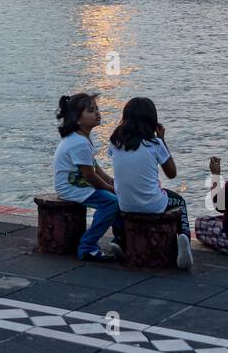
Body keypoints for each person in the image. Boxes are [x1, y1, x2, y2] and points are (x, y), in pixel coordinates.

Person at [107, 97, 193, 270]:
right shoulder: (155, 143)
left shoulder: (115, 141)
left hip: (124, 204)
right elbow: (172, 173)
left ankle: (120, 239)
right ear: (152, 121)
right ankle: (184, 239)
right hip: (154, 205)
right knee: (180, 202)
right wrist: (163, 140)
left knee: (118, 194)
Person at [52, 93, 125, 262]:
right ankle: (87, 246)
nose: (97, 113)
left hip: (79, 184)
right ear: (78, 120)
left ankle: (120, 239)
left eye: (97, 109)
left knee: (116, 196)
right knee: (111, 202)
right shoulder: (79, 143)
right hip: (71, 188)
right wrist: (109, 188)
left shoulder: (81, 138)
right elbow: (90, 176)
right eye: (91, 111)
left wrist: (110, 180)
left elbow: (94, 166)